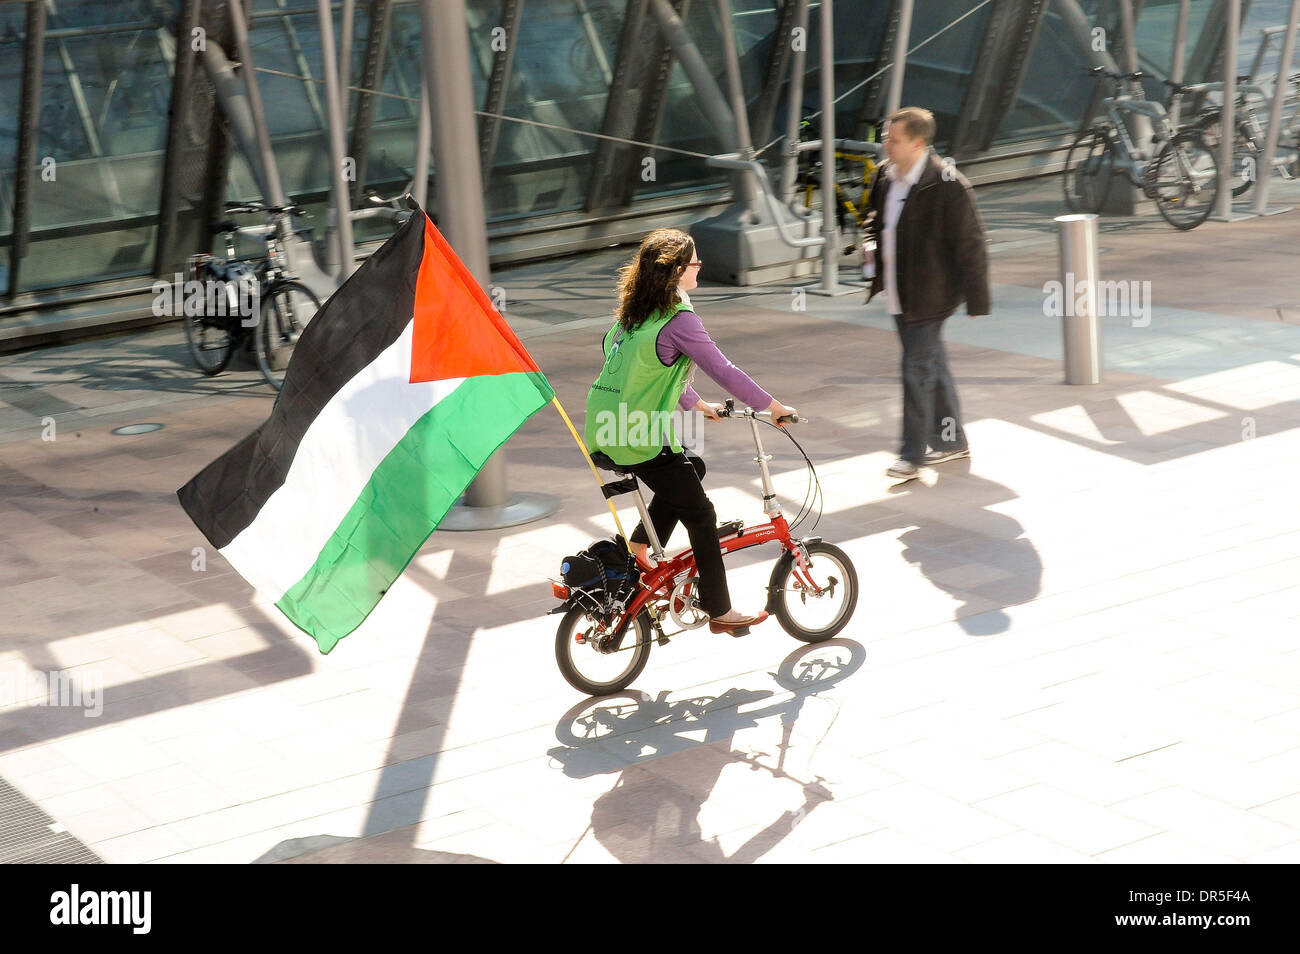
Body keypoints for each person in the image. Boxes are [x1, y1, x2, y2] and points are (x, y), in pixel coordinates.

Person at [584, 228, 797, 635]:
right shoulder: (679, 320)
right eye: (695, 261)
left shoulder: (636, 313)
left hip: (605, 428)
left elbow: (646, 368)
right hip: (637, 436)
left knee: (691, 468)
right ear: (678, 270)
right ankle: (720, 610)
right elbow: (724, 370)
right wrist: (774, 408)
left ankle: (637, 549)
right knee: (702, 515)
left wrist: (698, 405)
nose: (700, 266)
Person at [865, 106, 991, 481]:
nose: (887, 144)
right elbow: (876, 222)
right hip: (899, 290)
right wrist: (872, 253)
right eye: (886, 137)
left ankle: (911, 455)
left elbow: (971, 243)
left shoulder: (947, 183)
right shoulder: (885, 176)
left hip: (932, 295)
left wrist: (977, 298)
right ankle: (952, 442)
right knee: (931, 365)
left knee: (915, 370)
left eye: (894, 140)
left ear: (918, 143)